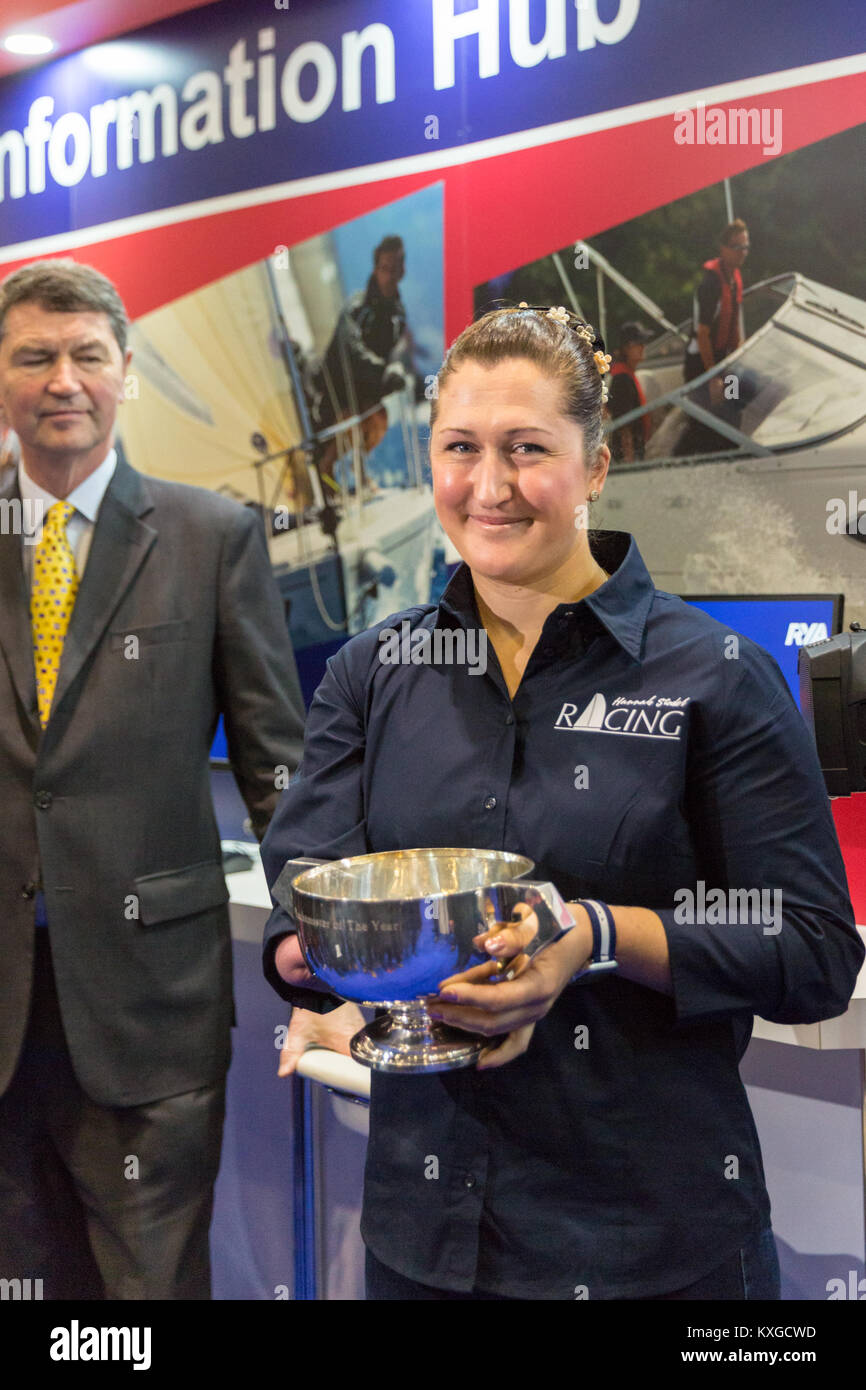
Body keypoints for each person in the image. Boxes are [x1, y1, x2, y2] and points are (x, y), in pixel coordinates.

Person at [260, 301, 863, 1301]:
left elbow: (811, 952)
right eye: (458, 447)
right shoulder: (373, 672)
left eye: (526, 447)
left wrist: (593, 933)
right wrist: (339, 965)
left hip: (650, 1245)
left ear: (594, 463)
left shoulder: (716, 676)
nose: (486, 486)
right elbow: (298, 905)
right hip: (423, 1244)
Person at [0, 259, 306, 1299]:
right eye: (34, 355)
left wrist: (327, 940)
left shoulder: (209, 536)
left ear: (124, 372)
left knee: (146, 1299)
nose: (63, 379)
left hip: (148, 1012)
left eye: (88, 355)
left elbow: (276, 762)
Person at [307, 236, 417, 514]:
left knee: (376, 421)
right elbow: (349, 349)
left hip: (366, 391)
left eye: (394, 268)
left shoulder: (398, 314)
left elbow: (393, 353)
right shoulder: (356, 307)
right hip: (333, 389)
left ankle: (361, 478)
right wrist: (383, 372)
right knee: (344, 432)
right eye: (384, 268)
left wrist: (395, 373)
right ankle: (331, 488)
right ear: (375, 269)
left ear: (402, 270)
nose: (389, 275)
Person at [683, 218, 750, 407]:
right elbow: (703, 334)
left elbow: (734, 324)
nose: (742, 252)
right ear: (723, 249)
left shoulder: (734, 277)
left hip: (724, 358)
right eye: (737, 247)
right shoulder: (710, 284)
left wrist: (737, 360)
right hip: (701, 364)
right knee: (705, 417)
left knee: (733, 403)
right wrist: (712, 377)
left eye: (745, 246)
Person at [606, 320, 654, 463]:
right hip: (629, 455)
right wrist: (630, 460)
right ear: (625, 349)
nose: (643, 347)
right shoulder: (622, 379)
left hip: (637, 449)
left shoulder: (626, 374)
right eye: (637, 344)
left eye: (643, 343)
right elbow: (623, 425)